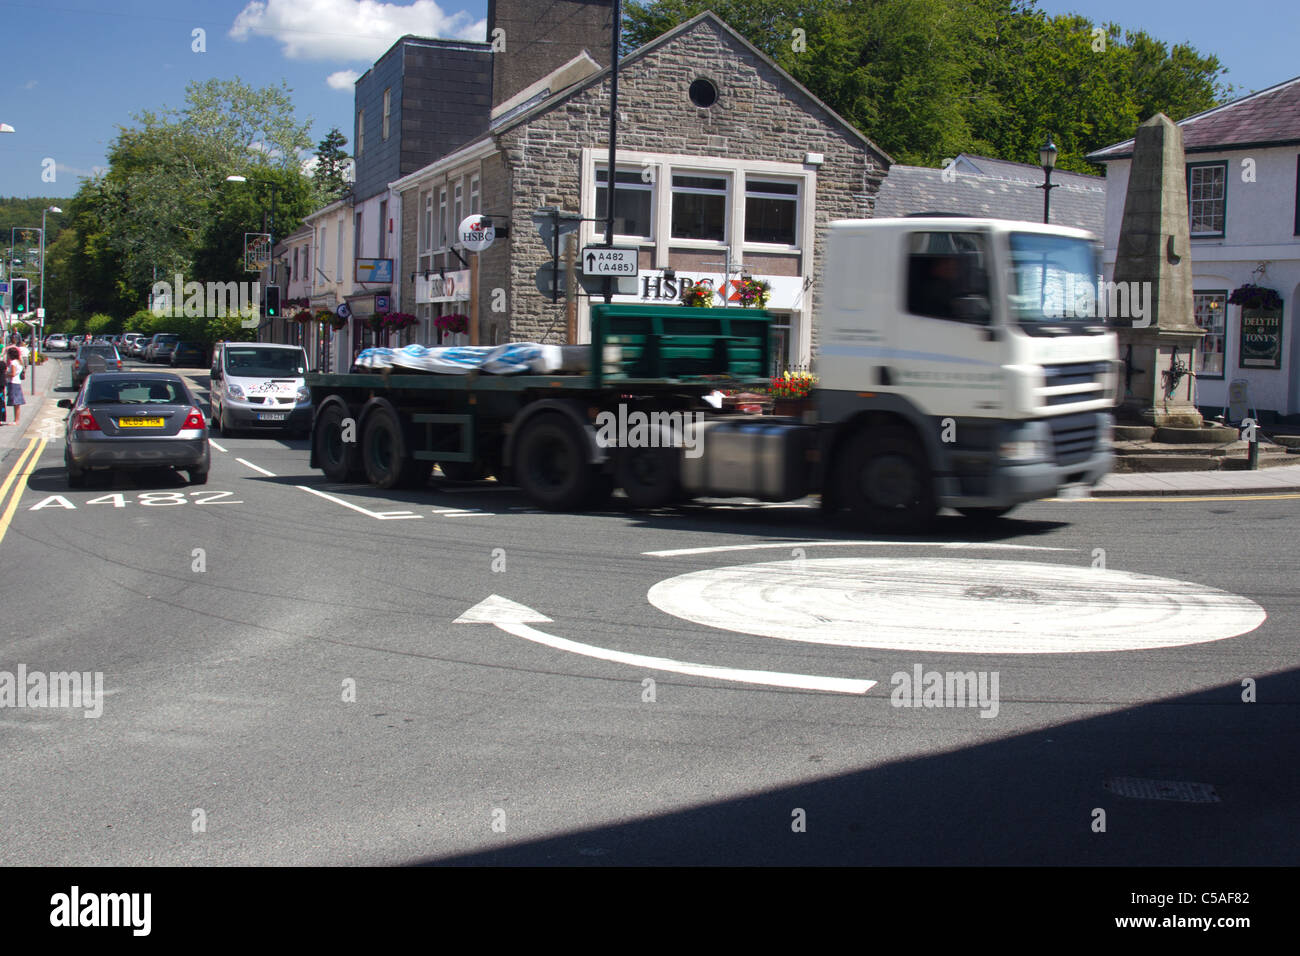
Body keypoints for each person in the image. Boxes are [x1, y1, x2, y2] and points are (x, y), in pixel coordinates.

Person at [4, 345, 25, 425]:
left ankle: (16, 421)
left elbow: (12, 374)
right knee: (17, 403)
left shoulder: (13, 363)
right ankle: (16, 420)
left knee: (15, 402)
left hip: (13, 383)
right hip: (17, 382)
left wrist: (5, 374)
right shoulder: (19, 362)